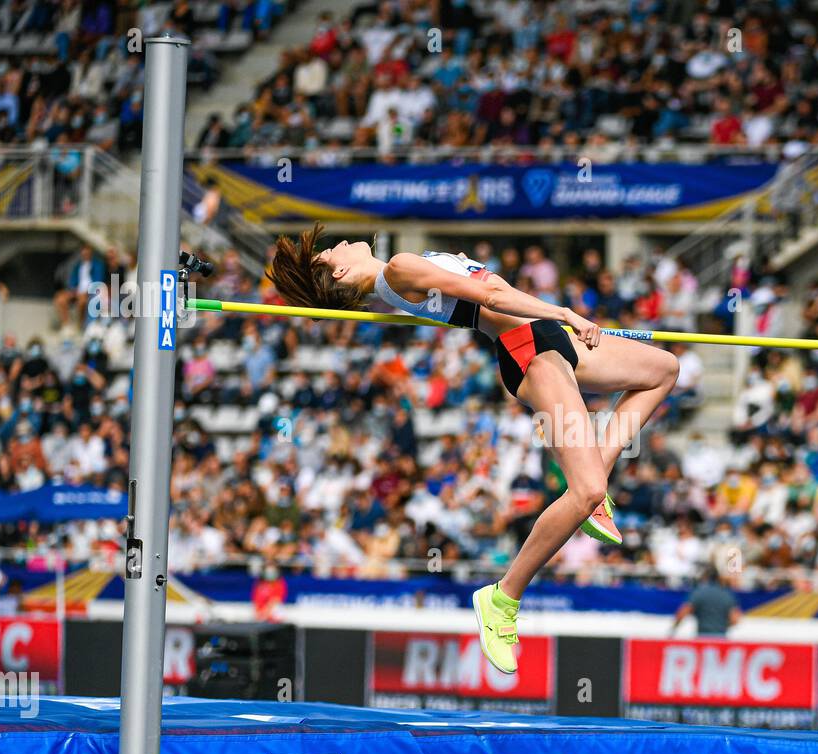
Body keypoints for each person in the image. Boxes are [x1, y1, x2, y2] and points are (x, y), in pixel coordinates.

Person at [267, 224, 679, 673]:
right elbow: (493, 300)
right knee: (583, 491)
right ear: (343, 271)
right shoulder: (398, 270)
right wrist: (566, 312)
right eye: (333, 251)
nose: (341, 243)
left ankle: (596, 474)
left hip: (549, 341)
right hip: (532, 350)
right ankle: (502, 598)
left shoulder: (401, 268)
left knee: (663, 369)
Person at [673, 566, 741, 637]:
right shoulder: (727, 594)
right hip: (721, 639)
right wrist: (721, 625)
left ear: (704, 577)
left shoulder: (698, 592)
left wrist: (673, 629)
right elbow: (735, 620)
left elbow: (683, 612)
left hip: (702, 638)